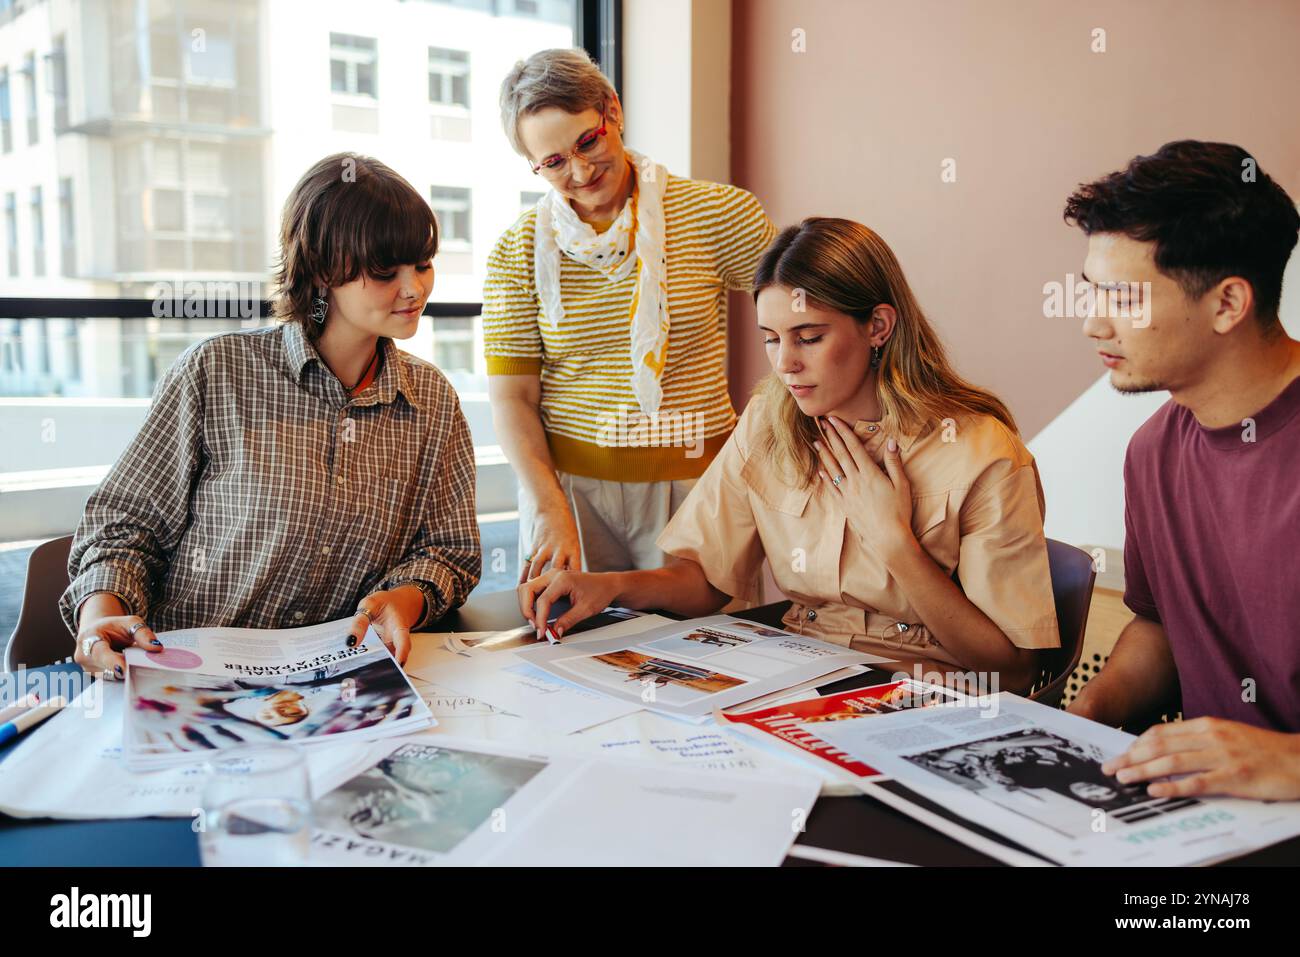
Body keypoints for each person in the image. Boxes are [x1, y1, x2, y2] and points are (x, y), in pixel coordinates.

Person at [519, 218, 1059, 693]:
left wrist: (895, 543)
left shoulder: (981, 451)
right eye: (772, 339)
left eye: (809, 336)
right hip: (793, 673)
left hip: (921, 690)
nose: (786, 364)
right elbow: (708, 582)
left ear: (878, 327)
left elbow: (1009, 670)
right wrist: (609, 585)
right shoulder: (768, 419)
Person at [62, 153, 482, 673]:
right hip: (185, 676)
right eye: (384, 271)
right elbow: (125, 526)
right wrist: (100, 614)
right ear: (324, 269)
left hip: (339, 684)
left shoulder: (432, 401)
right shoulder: (217, 372)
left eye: (422, 264)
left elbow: (449, 550)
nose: (414, 288)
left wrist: (406, 597)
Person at [1062, 140, 1300, 800]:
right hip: (1210, 815)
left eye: (1122, 297)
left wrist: (1288, 761)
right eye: (1092, 293)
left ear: (1227, 304)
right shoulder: (1153, 449)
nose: (1092, 323)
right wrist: (1078, 723)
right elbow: (1161, 627)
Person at [485, 48, 776, 582]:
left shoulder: (719, 214)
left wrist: (772, 422)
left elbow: (803, 313)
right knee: (568, 650)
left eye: (587, 141)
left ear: (612, 111)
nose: (579, 170)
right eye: (552, 163)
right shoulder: (517, 249)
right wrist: (549, 507)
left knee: (708, 654)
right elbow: (512, 397)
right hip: (568, 494)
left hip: (695, 489)